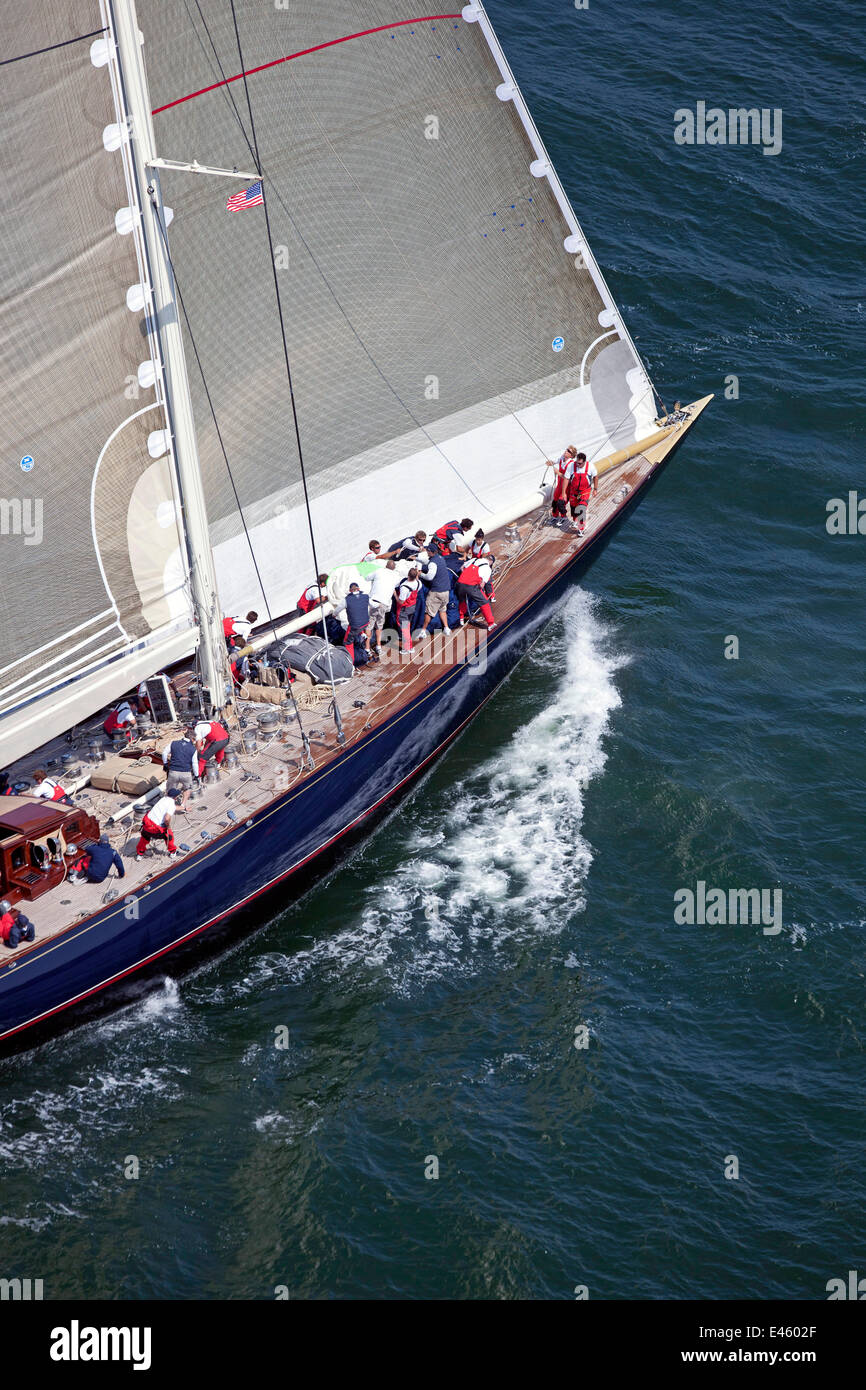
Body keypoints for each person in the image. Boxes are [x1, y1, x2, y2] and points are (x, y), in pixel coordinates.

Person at [135, 790, 182, 861]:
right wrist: (168, 827)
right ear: (175, 797)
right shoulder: (171, 804)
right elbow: (167, 818)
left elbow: (173, 807)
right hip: (155, 828)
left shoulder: (163, 799)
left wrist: (184, 808)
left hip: (147, 824)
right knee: (169, 837)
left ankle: (139, 854)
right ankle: (173, 852)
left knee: (144, 838)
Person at [367, 560, 400, 660]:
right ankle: (378, 646)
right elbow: (396, 585)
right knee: (379, 626)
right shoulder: (396, 576)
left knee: (369, 625)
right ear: (393, 568)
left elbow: (367, 577)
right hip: (384, 604)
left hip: (373, 602)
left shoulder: (379, 571)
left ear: (386, 566)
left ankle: (367, 648)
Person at [419, 548, 453, 637]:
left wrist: (421, 574)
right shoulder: (441, 558)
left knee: (429, 612)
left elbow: (430, 577)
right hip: (446, 591)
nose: (427, 553)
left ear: (431, 552)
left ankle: (423, 631)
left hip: (436, 591)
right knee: (443, 609)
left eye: (428, 551)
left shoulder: (433, 563)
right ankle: (446, 628)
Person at [162, 729, 200, 809]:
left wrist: (165, 764)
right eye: (194, 740)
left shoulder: (173, 743)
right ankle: (183, 805)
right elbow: (195, 763)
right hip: (186, 773)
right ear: (192, 739)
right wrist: (196, 775)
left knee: (170, 790)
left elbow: (164, 752)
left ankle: (169, 806)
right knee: (187, 788)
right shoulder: (193, 749)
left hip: (173, 772)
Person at [456, 556, 496, 631]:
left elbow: (462, 568)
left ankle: (461, 619)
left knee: (462, 600)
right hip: (471, 586)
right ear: (491, 562)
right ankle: (491, 623)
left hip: (460, 583)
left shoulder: (474, 559)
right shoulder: (487, 568)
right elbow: (482, 585)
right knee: (484, 602)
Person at [567, 451, 598, 534]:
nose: (578, 465)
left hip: (584, 492)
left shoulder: (590, 466)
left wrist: (595, 489)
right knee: (573, 508)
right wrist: (563, 492)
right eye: (577, 463)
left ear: (584, 462)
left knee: (581, 508)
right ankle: (575, 520)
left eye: (580, 464)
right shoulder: (572, 466)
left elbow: (595, 477)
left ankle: (581, 528)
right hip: (574, 492)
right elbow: (566, 479)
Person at [340, 583, 371, 666]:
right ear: (359, 589)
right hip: (365, 623)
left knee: (347, 642)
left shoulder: (347, 600)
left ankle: (351, 663)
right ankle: (363, 635)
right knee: (361, 627)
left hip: (354, 625)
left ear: (350, 591)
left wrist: (334, 614)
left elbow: (338, 609)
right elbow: (373, 604)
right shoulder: (366, 596)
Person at [547, 445, 578, 519]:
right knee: (554, 502)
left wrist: (557, 472)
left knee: (560, 503)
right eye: (567, 450)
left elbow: (567, 478)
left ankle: (564, 516)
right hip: (559, 485)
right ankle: (555, 516)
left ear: (571, 455)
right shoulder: (562, 458)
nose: (566, 451)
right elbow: (555, 462)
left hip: (566, 487)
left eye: (568, 451)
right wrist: (550, 463)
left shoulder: (571, 464)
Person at [394, 568, 422, 650]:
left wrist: (395, 595)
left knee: (404, 628)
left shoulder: (404, 587)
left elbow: (401, 602)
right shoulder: (418, 583)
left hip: (404, 609)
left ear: (408, 575)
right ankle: (408, 644)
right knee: (407, 626)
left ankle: (407, 648)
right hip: (412, 607)